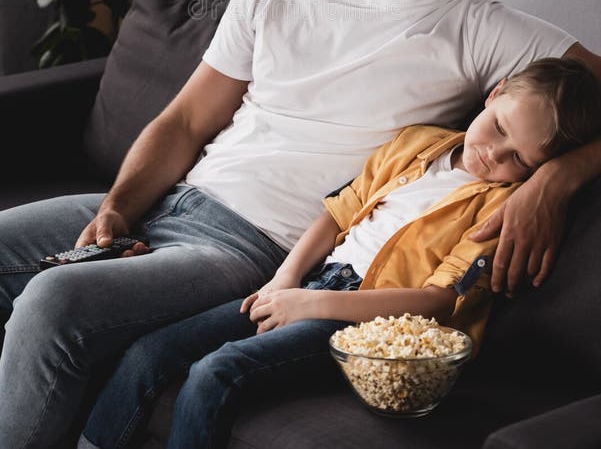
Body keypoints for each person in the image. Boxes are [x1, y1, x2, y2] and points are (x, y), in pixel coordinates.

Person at [1, 0, 600, 448]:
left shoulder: (481, 28)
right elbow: (184, 120)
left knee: (53, 305)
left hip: (254, 249)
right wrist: (121, 207)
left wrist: (557, 177)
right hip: (168, 204)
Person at [77, 57, 601, 449]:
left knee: (218, 371)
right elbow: (336, 214)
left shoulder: (502, 209)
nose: (494, 154)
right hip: (312, 284)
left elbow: (436, 304)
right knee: (150, 352)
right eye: (502, 129)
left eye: (520, 161)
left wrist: (312, 307)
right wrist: (285, 281)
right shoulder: (419, 143)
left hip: (371, 326)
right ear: (496, 92)